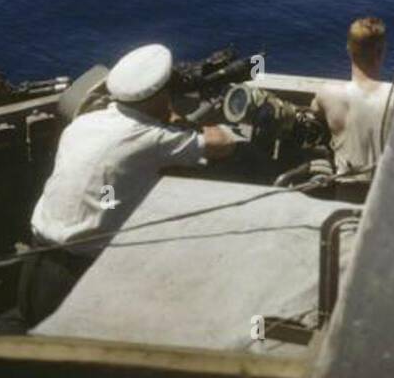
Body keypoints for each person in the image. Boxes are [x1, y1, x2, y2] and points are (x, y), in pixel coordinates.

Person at [15, 43, 235, 328]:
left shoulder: (83, 123)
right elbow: (223, 144)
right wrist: (177, 117)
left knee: (36, 337)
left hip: (34, 265)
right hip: (79, 278)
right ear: (162, 96)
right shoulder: (151, 138)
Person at [311, 17, 394, 181]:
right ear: (381, 51)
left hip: (345, 196)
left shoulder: (328, 95)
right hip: (386, 199)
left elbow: (314, 111)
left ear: (349, 49)